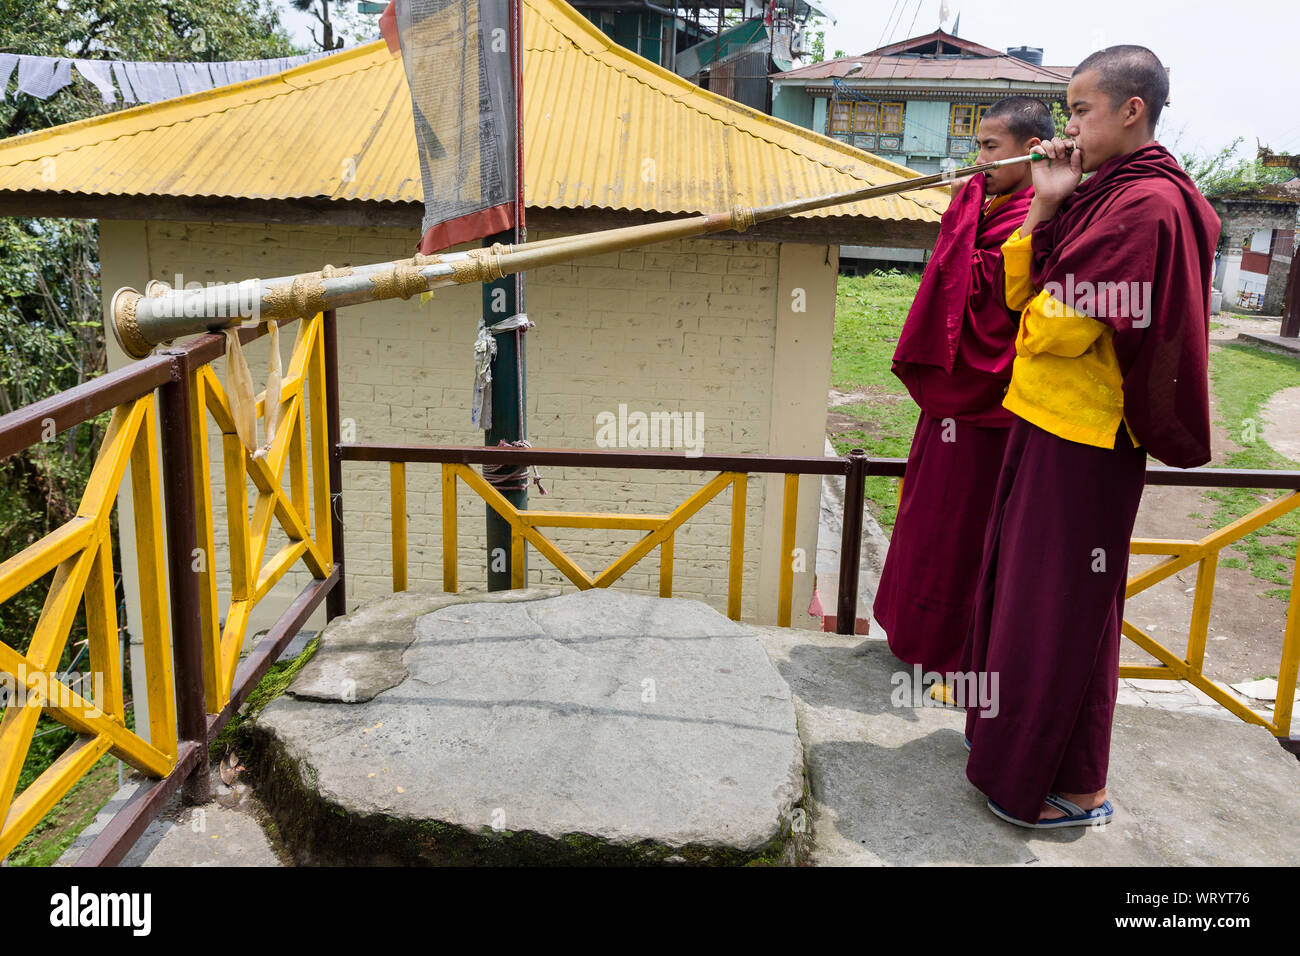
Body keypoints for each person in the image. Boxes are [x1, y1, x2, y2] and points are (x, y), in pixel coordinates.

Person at [960, 46, 1221, 828]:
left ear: (1131, 109)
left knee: (1057, 612)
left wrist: (1039, 299)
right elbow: (1023, 294)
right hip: (1043, 422)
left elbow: (1054, 327)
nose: (1066, 127)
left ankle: (1051, 782)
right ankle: (1055, 771)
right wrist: (1045, 204)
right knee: (1039, 604)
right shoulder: (1100, 193)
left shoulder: (1147, 205)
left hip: (1086, 439)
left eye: (1079, 110)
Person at [874, 97, 1052, 688]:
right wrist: (966, 207)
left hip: (991, 402)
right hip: (950, 402)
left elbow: (1004, 290)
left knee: (967, 528)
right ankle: (914, 634)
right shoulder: (992, 199)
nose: (979, 160)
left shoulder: (1042, 208)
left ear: (1032, 149)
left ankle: (956, 651)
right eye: (978, 146)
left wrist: (967, 212)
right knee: (925, 515)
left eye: (989, 148)